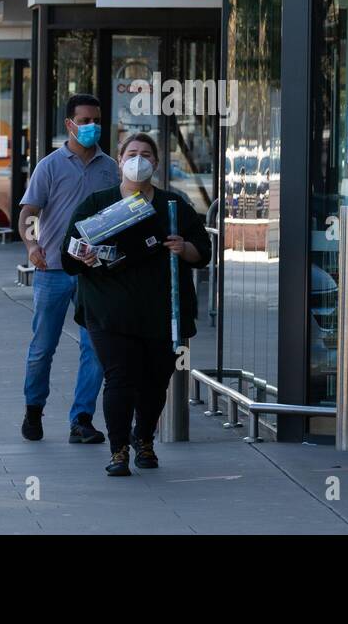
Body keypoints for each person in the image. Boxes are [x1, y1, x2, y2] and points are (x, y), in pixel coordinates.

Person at [62, 133, 210, 476]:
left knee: (155, 381)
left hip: (161, 312)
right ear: (119, 160)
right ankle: (118, 451)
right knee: (119, 378)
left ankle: (143, 438)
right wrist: (84, 257)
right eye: (131, 153)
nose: (138, 159)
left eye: (146, 154)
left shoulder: (173, 206)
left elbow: (202, 252)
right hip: (109, 311)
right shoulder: (97, 204)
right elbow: (68, 256)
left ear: (156, 163)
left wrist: (183, 247)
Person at [17, 93, 121, 444]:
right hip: (53, 270)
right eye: (85, 121)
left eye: (97, 121)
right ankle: (33, 409)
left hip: (95, 272)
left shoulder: (110, 168)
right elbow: (28, 212)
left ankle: (82, 419)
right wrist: (32, 246)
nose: (92, 127)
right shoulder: (50, 166)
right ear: (69, 124)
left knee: (95, 348)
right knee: (42, 347)